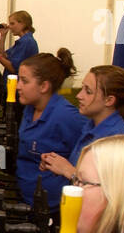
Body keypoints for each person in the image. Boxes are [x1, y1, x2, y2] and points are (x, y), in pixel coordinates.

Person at [40, 65, 124, 183]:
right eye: (82, 88)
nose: (79, 96)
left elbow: (109, 192)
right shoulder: (91, 125)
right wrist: (57, 163)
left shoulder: (117, 141)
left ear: (109, 100)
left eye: (88, 91)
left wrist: (69, 171)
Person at [15, 51, 85, 211]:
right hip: (28, 195)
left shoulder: (66, 116)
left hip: (51, 206)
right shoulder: (30, 107)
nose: (18, 86)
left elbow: (90, 150)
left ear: (44, 86)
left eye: (24, 81)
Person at [0, 10, 38, 76]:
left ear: (23, 24)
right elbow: (4, 55)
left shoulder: (27, 42)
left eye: (12, 23)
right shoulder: (22, 41)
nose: (9, 26)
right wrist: (3, 36)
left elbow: (13, 68)